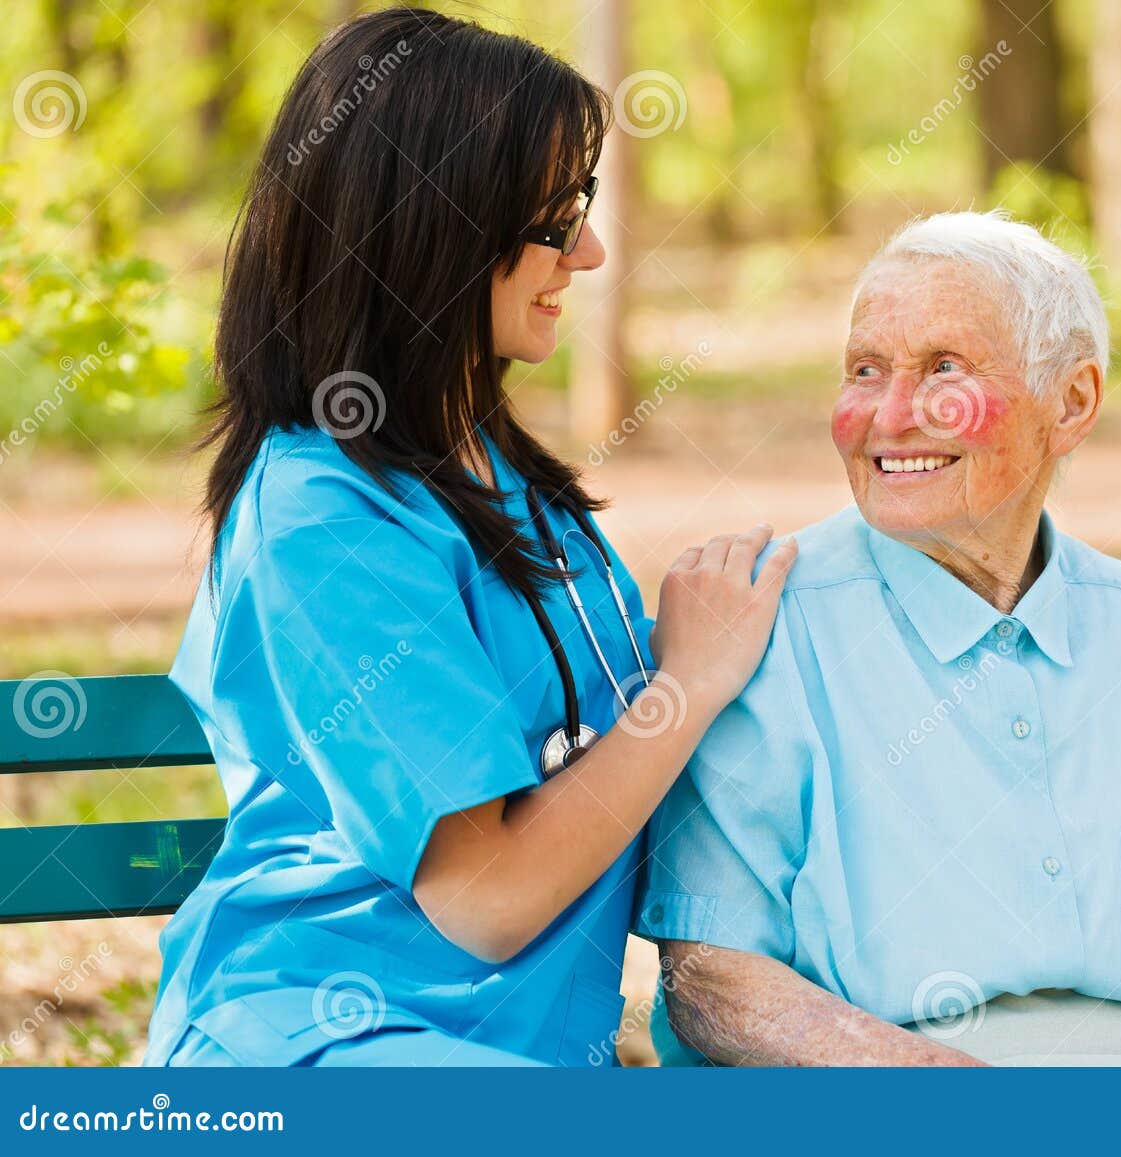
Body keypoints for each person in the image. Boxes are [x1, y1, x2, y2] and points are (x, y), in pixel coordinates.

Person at [145, 6, 795, 1068]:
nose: (585, 251)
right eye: (549, 220)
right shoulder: (323, 518)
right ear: (429, 228)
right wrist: (690, 680)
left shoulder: (511, 485)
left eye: (578, 206)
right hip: (324, 1039)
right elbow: (486, 896)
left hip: (517, 1056)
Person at [637, 211, 1121, 1067]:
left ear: (1071, 403)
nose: (889, 415)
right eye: (864, 369)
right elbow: (710, 976)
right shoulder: (764, 629)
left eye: (944, 369)